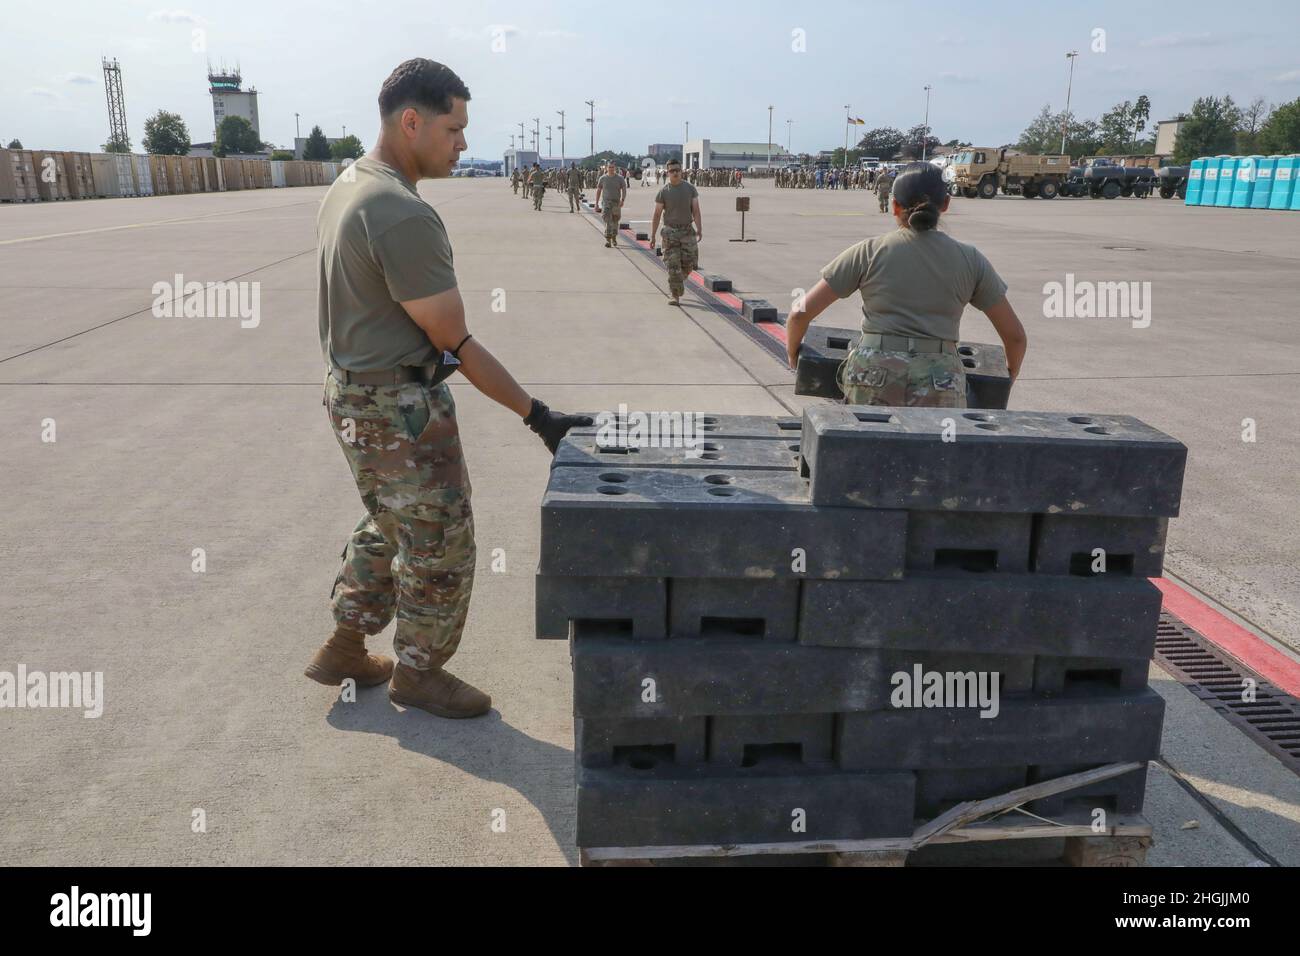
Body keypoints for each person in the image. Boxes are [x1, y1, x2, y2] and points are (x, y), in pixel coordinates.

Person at [307, 58, 590, 718]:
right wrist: (538, 416)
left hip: (353, 392)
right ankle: (420, 672)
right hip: (397, 407)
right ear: (413, 122)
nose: (463, 143)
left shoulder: (350, 182)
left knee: (392, 518)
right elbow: (454, 341)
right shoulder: (399, 211)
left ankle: (348, 643)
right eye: (454, 128)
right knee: (441, 541)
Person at [785, 162, 1026, 408]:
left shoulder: (869, 251)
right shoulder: (971, 259)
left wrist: (794, 355)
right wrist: (1009, 376)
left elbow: (799, 314)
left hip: (873, 376)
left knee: (864, 443)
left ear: (894, 206)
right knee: (935, 445)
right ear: (945, 204)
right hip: (940, 382)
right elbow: (1015, 337)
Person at [650, 158, 702, 306]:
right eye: (672, 170)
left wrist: (699, 228)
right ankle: (675, 295)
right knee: (673, 266)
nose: (675, 173)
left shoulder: (690, 189)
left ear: (681, 171)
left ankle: (678, 281)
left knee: (690, 264)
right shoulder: (663, 192)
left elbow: (696, 211)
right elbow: (657, 214)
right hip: (670, 233)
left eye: (677, 170)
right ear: (667, 172)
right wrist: (653, 235)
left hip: (687, 232)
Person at [594, 160, 626, 248]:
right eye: (609, 167)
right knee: (608, 221)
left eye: (612, 167)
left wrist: (622, 200)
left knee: (615, 221)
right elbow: (598, 190)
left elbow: (624, 189)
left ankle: (614, 237)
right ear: (606, 168)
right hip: (606, 203)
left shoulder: (620, 178)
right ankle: (608, 239)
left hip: (616, 203)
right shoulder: (603, 178)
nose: (611, 169)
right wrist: (596, 203)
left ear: (615, 168)